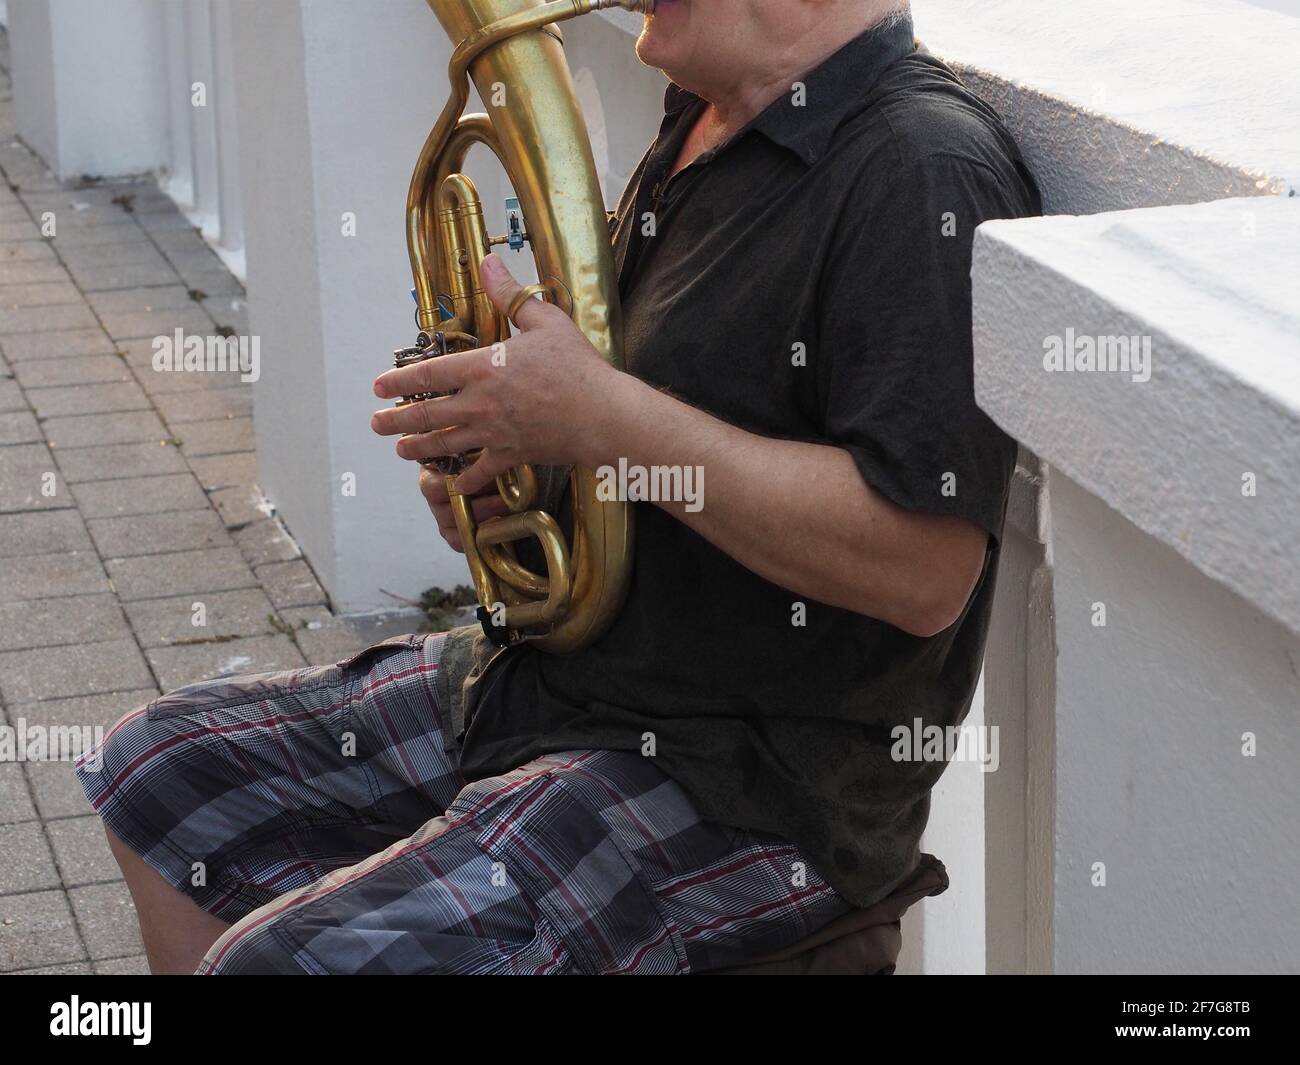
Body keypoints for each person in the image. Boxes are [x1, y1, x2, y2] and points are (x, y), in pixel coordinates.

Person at [80, 0, 1040, 974]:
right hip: (565, 677)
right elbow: (640, 440)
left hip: (755, 781)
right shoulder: (702, 123)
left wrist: (600, 419)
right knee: (160, 774)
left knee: (278, 964)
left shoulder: (920, 167)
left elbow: (922, 569)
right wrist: (516, 486)